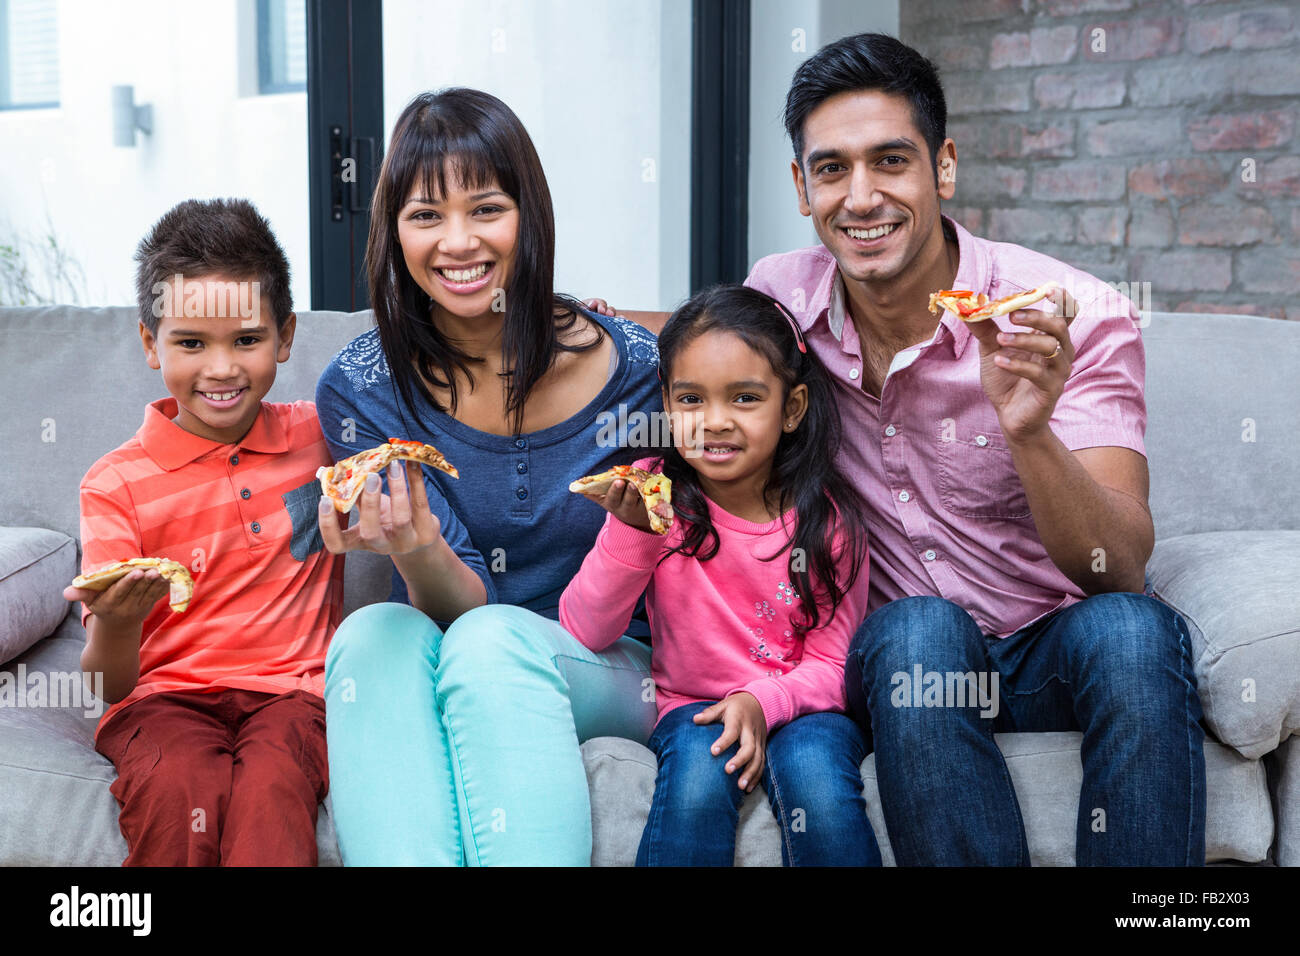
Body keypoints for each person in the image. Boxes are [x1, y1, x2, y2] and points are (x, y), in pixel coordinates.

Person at [744, 33, 1205, 865]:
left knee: (1136, 629)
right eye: (832, 169)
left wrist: (1028, 429)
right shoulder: (779, 303)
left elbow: (1119, 566)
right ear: (803, 190)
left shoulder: (1075, 315)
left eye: (891, 161)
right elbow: (680, 354)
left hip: (1049, 646)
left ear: (943, 168)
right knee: (920, 627)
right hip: (905, 660)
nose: (862, 197)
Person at [314, 88, 666, 865]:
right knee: (374, 632)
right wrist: (414, 545)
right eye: (425, 215)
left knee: (495, 642)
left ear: (528, 215)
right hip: (468, 640)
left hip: (611, 664)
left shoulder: (636, 370)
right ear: (394, 232)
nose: (457, 242)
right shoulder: (363, 388)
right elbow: (459, 605)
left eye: (486, 208)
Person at [559, 284, 879, 866]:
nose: (715, 422)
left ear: (793, 408)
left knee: (819, 784)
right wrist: (635, 535)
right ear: (666, 404)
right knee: (695, 788)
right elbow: (585, 629)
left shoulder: (829, 523)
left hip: (805, 712)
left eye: (746, 398)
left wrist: (761, 701)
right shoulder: (656, 496)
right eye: (691, 399)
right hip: (692, 706)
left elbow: (835, 666)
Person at [65, 198, 342, 866]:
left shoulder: (321, 434)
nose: (220, 369)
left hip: (294, 699)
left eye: (245, 340)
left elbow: (423, 385)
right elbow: (108, 686)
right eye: (191, 343)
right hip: (161, 703)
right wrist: (121, 623)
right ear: (149, 343)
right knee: (176, 785)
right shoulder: (113, 485)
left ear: (285, 335)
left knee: (272, 793)